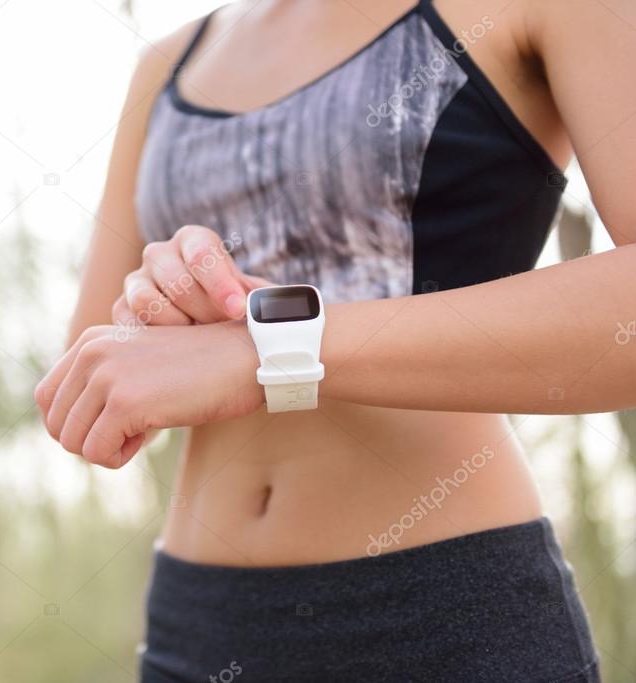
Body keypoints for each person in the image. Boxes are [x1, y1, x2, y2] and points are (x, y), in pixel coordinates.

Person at [36, 0, 634, 679]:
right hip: (202, 625)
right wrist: (158, 302)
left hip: (444, 614)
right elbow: (84, 383)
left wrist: (265, 350)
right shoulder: (165, 64)